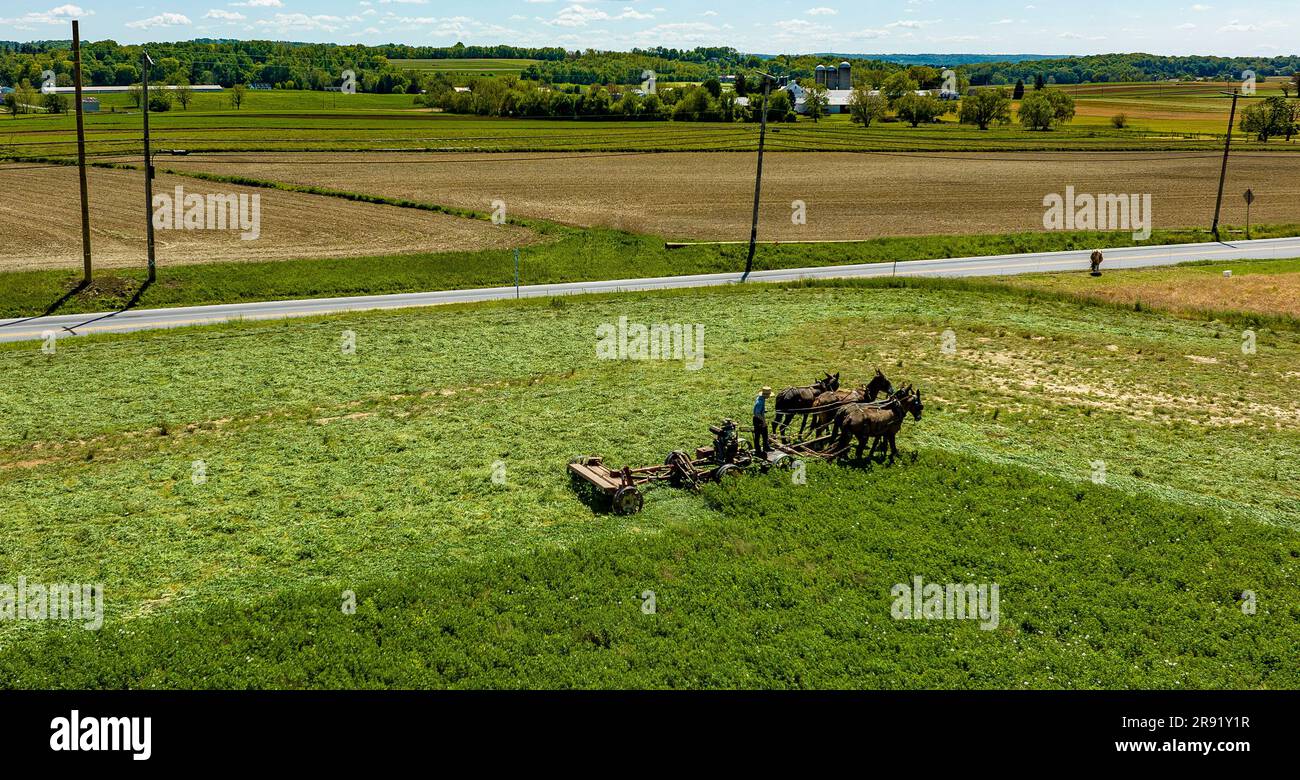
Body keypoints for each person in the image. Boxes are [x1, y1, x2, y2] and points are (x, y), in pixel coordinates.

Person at [753, 386, 772, 453]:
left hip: (758, 418)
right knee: (759, 434)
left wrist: (764, 410)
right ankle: (760, 449)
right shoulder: (760, 402)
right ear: (766, 395)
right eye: (769, 395)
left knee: (763, 434)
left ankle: (764, 447)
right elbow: (757, 413)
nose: (769, 396)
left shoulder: (761, 398)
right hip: (758, 419)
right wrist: (763, 421)